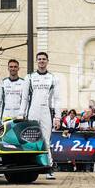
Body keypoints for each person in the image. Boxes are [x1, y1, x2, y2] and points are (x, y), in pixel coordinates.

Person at [27, 51, 62, 180]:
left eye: (44, 59)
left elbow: (57, 99)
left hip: (46, 111)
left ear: (47, 61)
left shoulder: (53, 78)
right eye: (39, 59)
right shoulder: (29, 77)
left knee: (46, 140)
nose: (41, 61)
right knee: (31, 140)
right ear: (37, 61)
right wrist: (22, 114)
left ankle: (49, 167)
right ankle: (30, 167)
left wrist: (57, 117)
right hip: (32, 112)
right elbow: (25, 98)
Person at [0, 58, 30, 122]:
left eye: (15, 67)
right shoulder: (3, 82)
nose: (13, 69)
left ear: (18, 68)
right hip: (6, 116)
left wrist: (24, 114)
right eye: (11, 67)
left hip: (19, 115)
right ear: (8, 68)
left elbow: (26, 100)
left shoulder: (23, 82)